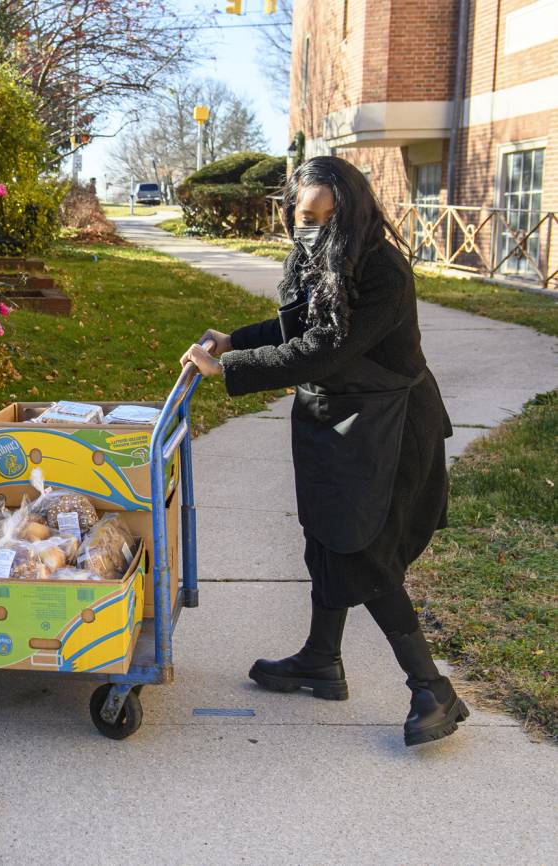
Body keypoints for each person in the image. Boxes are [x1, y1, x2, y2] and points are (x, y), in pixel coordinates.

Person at [181, 156, 469, 747]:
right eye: (302, 216)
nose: (308, 227)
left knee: (364, 550)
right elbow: (299, 325)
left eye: (322, 219)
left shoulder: (383, 270)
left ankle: (432, 688)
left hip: (387, 425)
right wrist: (236, 338)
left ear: (351, 213)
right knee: (327, 536)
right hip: (335, 416)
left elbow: (325, 348)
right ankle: (320, 659)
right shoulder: (314, 257)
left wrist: (229, 367)